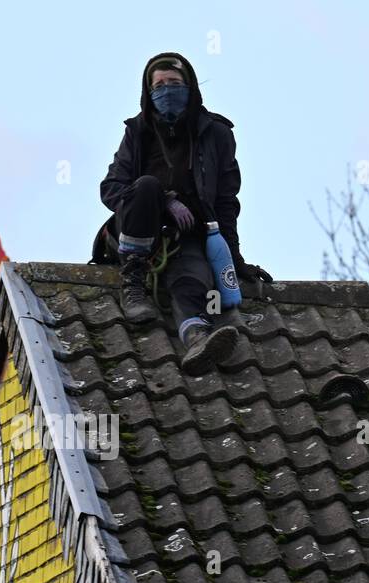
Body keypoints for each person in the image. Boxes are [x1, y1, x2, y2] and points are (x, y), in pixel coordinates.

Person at [93, 52, 271, 376]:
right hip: (137, 225)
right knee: (146, 186)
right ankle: (132, 284)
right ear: (148, 92)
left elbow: (226, 202)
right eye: (158, 85)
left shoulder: (217, 133)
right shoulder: (137, 132)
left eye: (173, 83)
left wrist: (234, 258)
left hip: (186, 233)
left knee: (191, 279)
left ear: (190, 87)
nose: (166, 90)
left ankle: (197, 341)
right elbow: (111, 188)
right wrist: (163, 200)